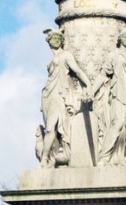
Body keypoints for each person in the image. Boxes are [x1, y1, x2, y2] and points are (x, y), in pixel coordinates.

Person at [91, 28, 126, 165]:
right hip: (118, 93)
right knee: (117, 123)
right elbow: (103, 75)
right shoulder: (114, 55)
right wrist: (92, 91)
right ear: (119, 39)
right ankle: (104, 157)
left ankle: (124, 156)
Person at [38, 29, 90, 167]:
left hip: (59, 94)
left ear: (62, 40)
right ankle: (51, 155)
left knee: (51, 128)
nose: (55, 39)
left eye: (58, 37)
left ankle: (44, 159)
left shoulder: (66, 55)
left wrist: (88, 85)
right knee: (50, 129)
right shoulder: (53, 59)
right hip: (47, 93)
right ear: (48, 41)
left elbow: (78, 71)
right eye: (53, 37)